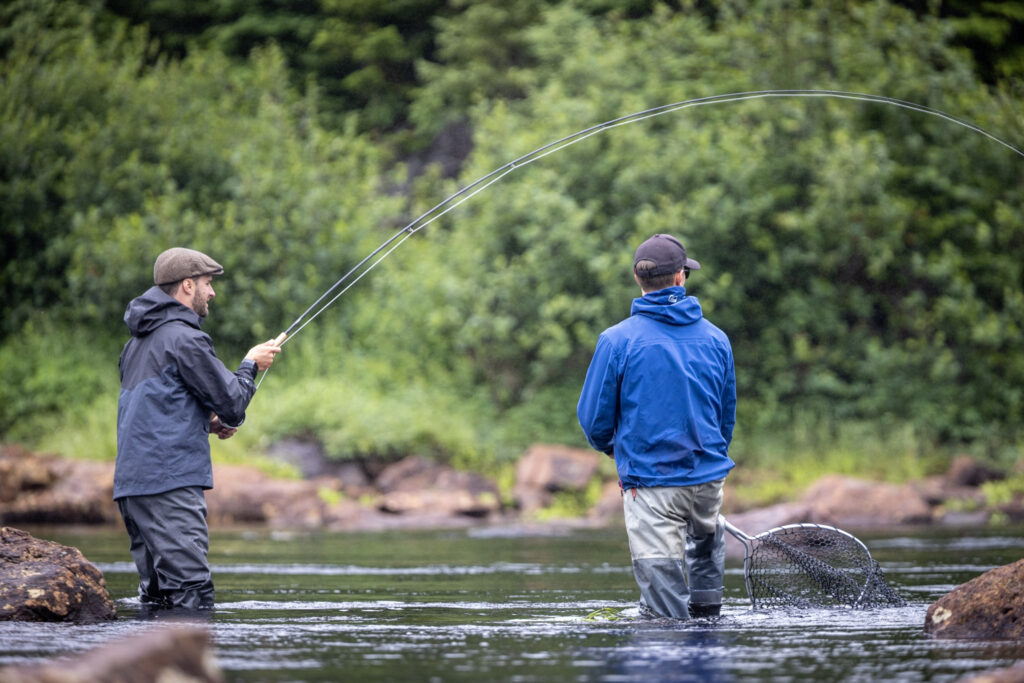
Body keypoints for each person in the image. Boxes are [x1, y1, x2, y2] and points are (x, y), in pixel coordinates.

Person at [577, 233, 736, 619]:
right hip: (709, 481)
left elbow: (593, 420)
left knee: (666, 616)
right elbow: (725, 415)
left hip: (652, 482)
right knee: (705, 598)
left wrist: (616, 449)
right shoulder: (717, 339)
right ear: (681, 277)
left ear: (637, 278)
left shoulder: (616, 341)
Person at [115, 247, 282, 613]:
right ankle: (189, 670)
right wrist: (250, 364)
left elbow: (154, 406)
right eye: (207, 283)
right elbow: (233, 403)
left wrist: (206, 423)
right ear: (187, 285)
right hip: (170, 484)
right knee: (191, 596)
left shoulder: (134, 345)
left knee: (157, 597)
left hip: (132, 489)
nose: (212, 292)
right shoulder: (185, 339)